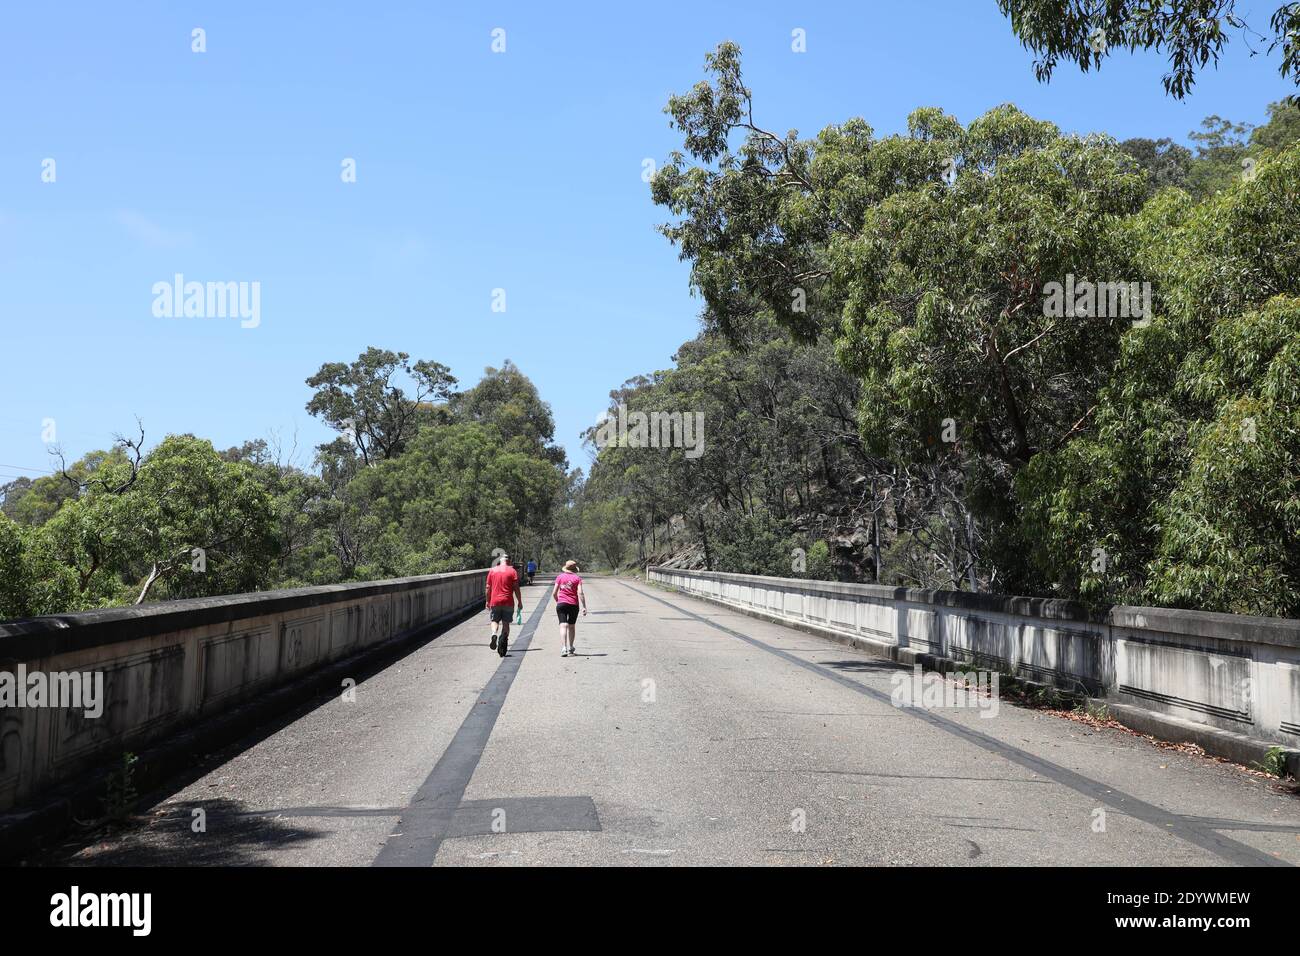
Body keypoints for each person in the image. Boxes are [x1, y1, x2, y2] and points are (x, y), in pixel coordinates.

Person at [485, 552, 522, 657]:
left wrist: (487, 601)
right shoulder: (512, 571)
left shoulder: (492, 571)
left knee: (494, 620)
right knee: (506, 623)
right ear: (508, 561)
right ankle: (504, 641)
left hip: (495, 601)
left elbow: (488, 588)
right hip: (508, 601)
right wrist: (519, 601)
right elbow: (516, 588)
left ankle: (494, 634)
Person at [551, 559, 587, 657]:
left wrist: (558, 601)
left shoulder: (559, 577)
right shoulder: (577, 579)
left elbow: (554, 593)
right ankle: (571, 647)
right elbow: (580, 593)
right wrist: (584, 606)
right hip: (573, 605)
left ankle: (564, 648)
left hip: (561, 603)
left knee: (563, 625)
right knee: (571, 626)